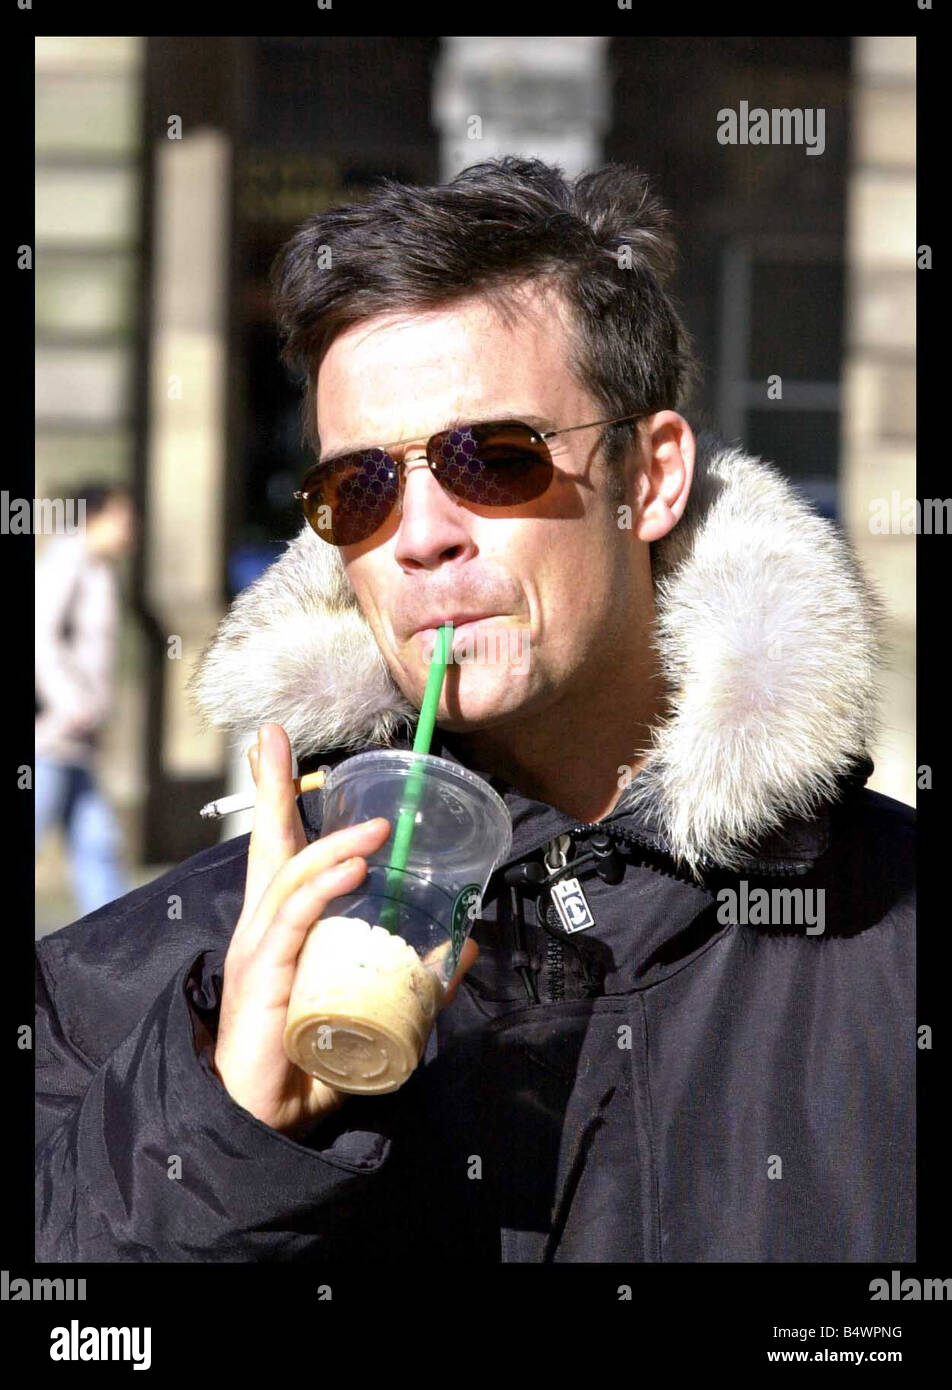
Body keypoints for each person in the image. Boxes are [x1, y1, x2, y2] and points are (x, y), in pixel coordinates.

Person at [35, 158, 913, 1263]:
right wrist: (219, 1135)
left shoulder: (888, 936)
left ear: (649, 477)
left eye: (493, 459)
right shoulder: (145, 982)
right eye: (358, 488)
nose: (419, 536)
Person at [35, 483, 137, 920]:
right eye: (122, 516)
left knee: (97, 842)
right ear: (94, 517)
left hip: (77, 741)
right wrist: (70, 703)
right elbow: (39, 635)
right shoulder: (66, 561)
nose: (130, 527)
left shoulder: (98, 569)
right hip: (51, 738)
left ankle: (113, 941)